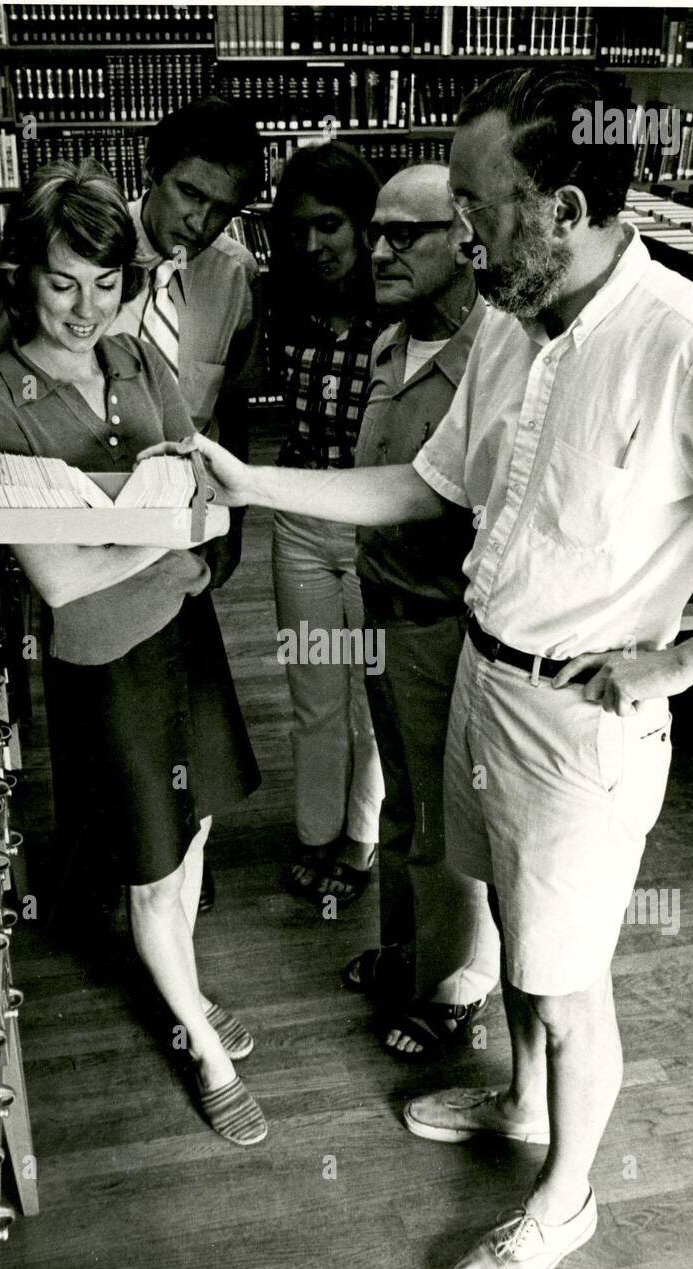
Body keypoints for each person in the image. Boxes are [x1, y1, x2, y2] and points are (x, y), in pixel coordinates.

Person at [164, 67, 693, 1269]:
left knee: (569, 987)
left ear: (561, 205)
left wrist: (675, 663)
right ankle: (519, 1104)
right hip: (480, 677)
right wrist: (253, 483)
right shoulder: (512, 325)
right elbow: (425, 488)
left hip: (582, 723)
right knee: (514, 936)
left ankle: (566, 1201)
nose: (459, 233)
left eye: (477, 205)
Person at [0, 160, 266, 1148]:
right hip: (106, 659)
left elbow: (202, 485)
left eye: (106, 284)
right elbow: (60, 579)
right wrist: (168, 527)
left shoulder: (138, 363)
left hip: (185, 631)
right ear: (25, 276)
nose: (85, 307)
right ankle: (202, 1045)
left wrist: (177, 521)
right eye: (61, 281)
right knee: (149, 863)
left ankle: (188, 986)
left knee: (193, 837)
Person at [344, 163, 501, 1058]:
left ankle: (455, 989)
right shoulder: (390, 340)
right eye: (376, 232)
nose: (379, 250)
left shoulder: (495, 357)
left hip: (442, 622)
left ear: (466, 240)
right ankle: (409, 951)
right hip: (380, 605)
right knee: (400, 799)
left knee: (447, 821)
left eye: (406, 234)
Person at [111, 97, 265, 911]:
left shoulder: (232, 271)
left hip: (184, 511)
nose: (198, 222)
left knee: (184, 690)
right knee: (111, 691)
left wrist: (230, 517)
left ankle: (173, 861)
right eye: (186, 194)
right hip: (92, 514)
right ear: (151, 168)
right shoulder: (91, 247)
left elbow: (228, 396)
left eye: (221, 208)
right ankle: (133, 861)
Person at [268, 141, 385, 908]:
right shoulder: (279, 302)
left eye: (332, 225)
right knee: (313, 693)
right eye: (299, 228)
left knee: (376, 702)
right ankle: (314, 833)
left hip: (379, 526)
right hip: (303, 523)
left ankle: (362, 837)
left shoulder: (402, 310)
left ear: (367, 225)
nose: (314, 245)